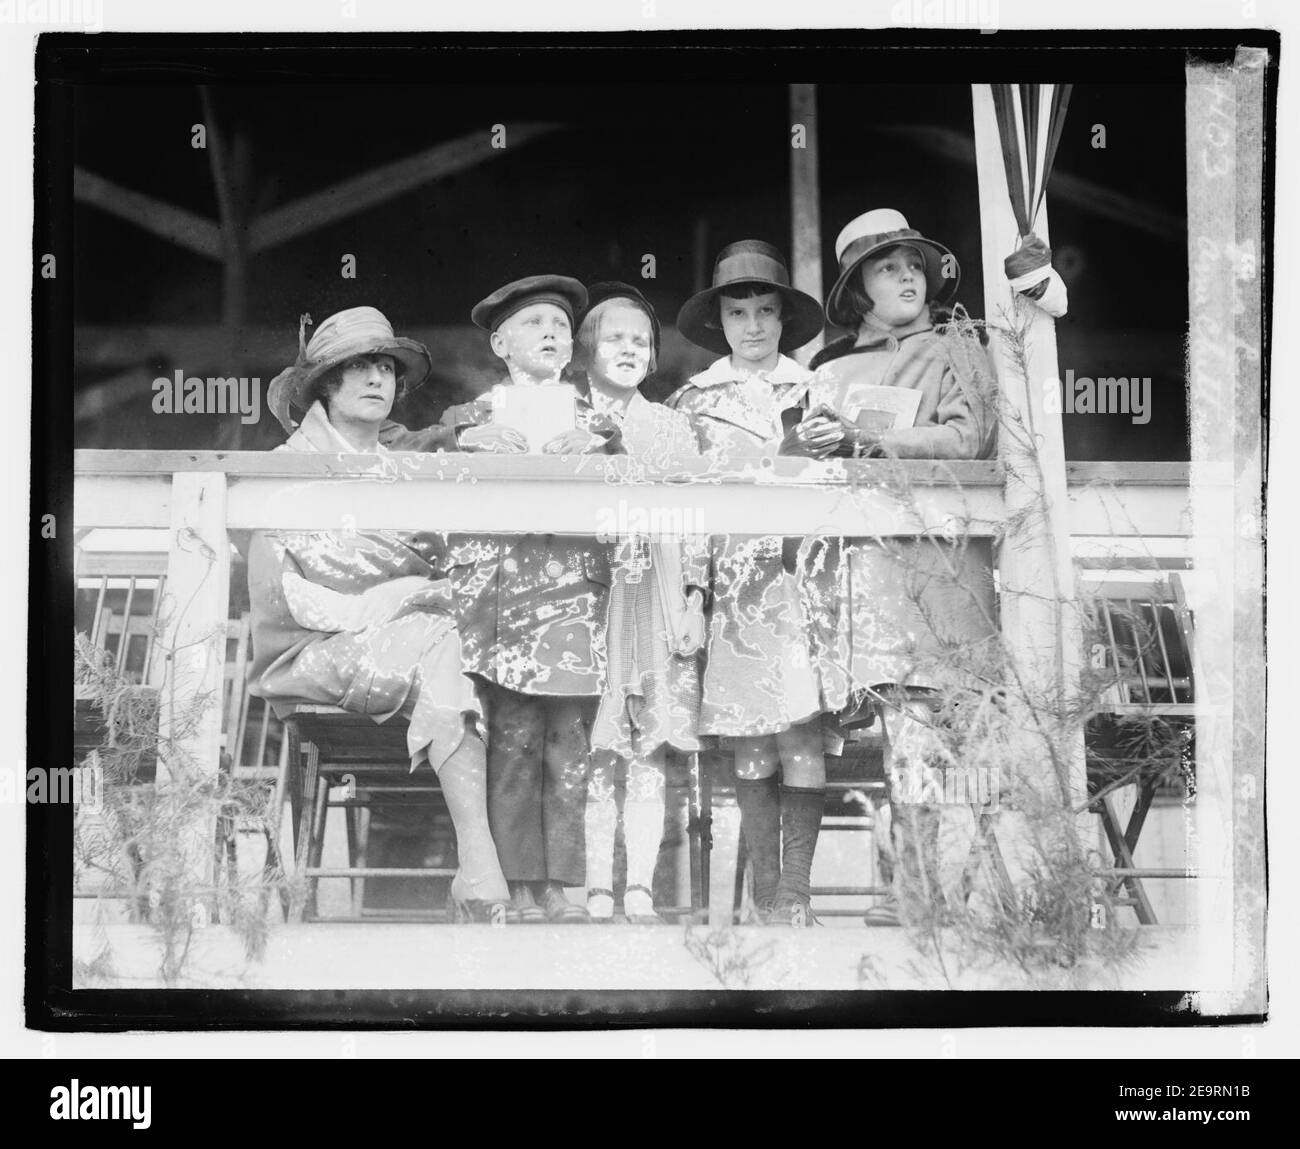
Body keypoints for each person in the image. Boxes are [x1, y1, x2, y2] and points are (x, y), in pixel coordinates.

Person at [250, 306, 511, 924]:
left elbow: (448, 567)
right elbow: (287, 595)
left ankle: (484, 870)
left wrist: (412, 594)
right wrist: (387, 604)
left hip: (418, 644)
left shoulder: (409, 468)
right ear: (324, 385)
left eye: (386, 368)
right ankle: (482, 868)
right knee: (453, 650)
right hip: (313, 651)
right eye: (358, 367)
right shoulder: (287, 467)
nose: (377, 380)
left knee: (479, 656)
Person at [790, 208, 1000, 925]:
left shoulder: (957, 344)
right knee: (900, 726)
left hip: (943, 565)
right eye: (887, 267)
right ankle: (906, 886)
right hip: (869, 568)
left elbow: (969, 438)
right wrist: (819, 444)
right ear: (858, 291)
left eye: (913, 263)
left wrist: (869, 442)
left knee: (941, 725)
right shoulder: (831, 369)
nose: (907, 275)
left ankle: (932, 887)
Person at [437, 275, 621, 924]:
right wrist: (466, 446)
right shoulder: (472, 417)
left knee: (570, 743)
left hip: (576, 597)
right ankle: (516, 881)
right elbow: (430, 459)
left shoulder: (598, 419)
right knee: (512, 740)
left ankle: (563, 884)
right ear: (500, 341)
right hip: (504, 601)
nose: (550, 332)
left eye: (560, 325)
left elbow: (633, 484)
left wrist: (601, 452)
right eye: (534, 322)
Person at [668, 240, 839, 927]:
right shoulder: (694, 400)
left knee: (801, 733)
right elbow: (686, 507)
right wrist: (692, 591)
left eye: (766, 309)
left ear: (782, 318)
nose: (754, 324)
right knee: (751, 739)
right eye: (739, 311)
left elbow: (840, 487)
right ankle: (765, 896)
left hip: (805, 583)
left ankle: (794, 895)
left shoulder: (817, 389)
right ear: (720, 322)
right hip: (734, 584)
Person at [577, 282, 707, 924]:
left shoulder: (671, 424)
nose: (628, 349)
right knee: (601, 748)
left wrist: (695, 597)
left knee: (651, 746)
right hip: (592, 594)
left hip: (657, 589)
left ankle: (641, 889)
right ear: (587, 349)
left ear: (654, 358)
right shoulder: (568, 423)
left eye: (640, 341)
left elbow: (696, 519)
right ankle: (597, 886)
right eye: (614, 338)